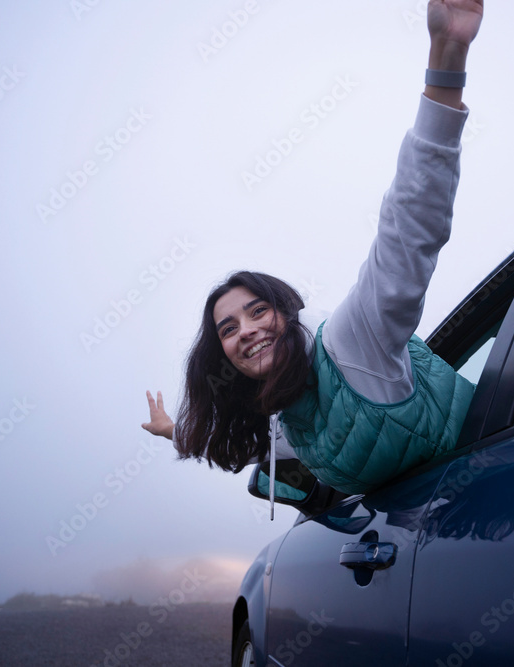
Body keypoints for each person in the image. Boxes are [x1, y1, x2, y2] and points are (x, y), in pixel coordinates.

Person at [142, 0, 485, 500]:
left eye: (257, 310)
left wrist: (447, 59)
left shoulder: (349, 344)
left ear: (287, 312)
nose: (246, 331)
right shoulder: (289, 420)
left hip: (509, 487)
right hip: (453, 525)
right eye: (228, 330)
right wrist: (173, 431)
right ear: (224, 357)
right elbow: (236, 447)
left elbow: (409, 228)